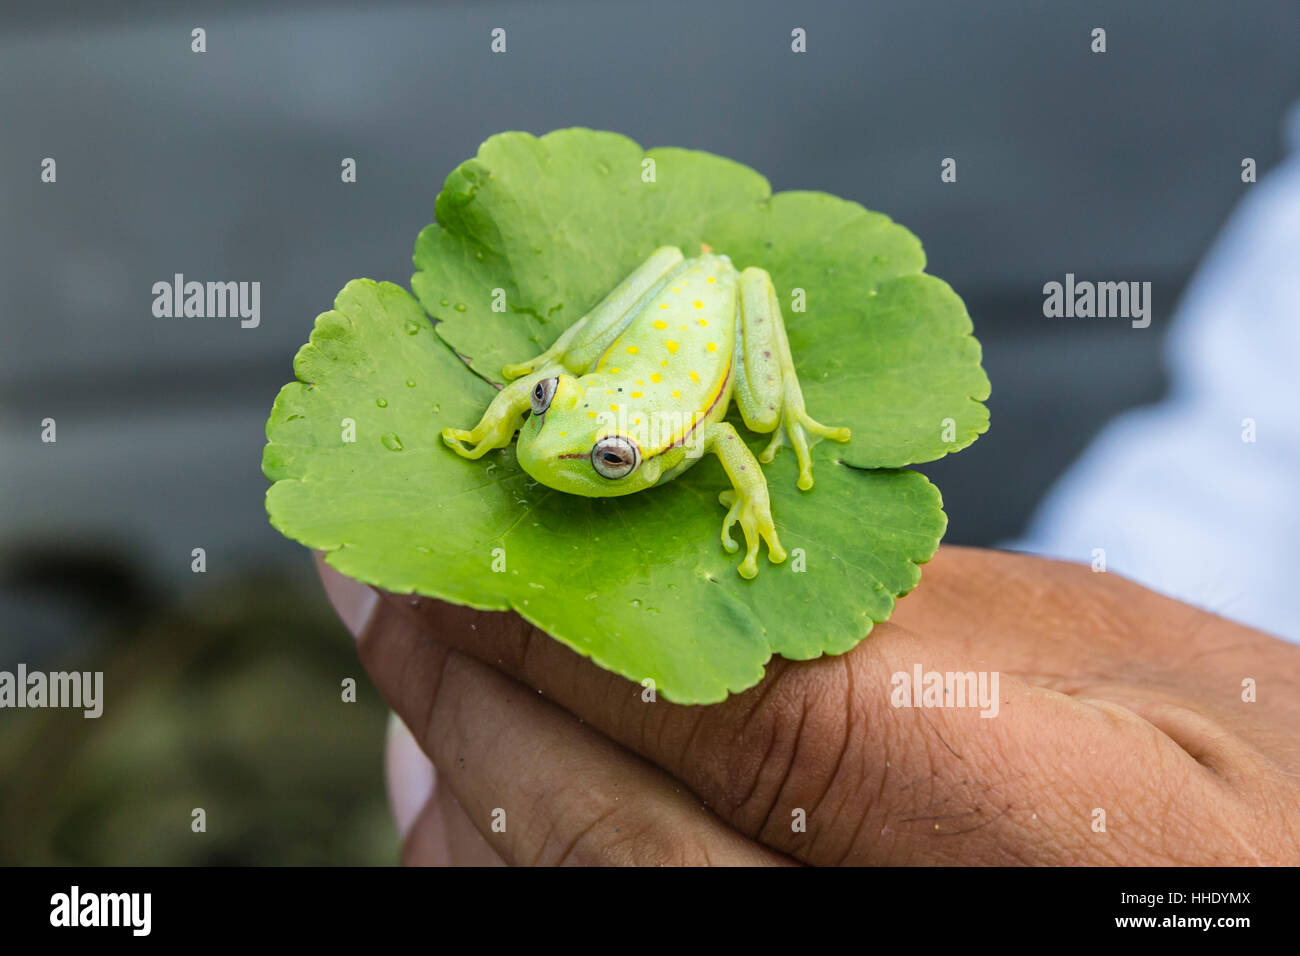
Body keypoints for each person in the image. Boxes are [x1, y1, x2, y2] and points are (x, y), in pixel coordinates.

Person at [316, 107, 1300, 865]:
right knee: (572, 363)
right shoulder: (573, 416)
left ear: (644, 455)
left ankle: (764, 394)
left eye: (610, 459)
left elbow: (721, 452)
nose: (556, 456)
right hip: (639, 340)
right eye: (547, 419)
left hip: (704, 355)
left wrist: (756, 491)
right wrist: (517, 409)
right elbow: (555, 386)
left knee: (755, 408)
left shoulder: (684, 439)